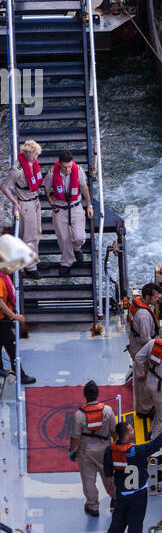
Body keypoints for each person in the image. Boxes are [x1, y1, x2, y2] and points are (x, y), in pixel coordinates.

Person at [104, 414, 162, 533]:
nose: (133, 431)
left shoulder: (110, 451)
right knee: (135, 519)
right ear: (127, 435)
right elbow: (158, 442)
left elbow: (108, 472)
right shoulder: (139, 451)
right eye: (131, 430)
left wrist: (111, 488)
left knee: (119, 516)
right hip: (138, 493)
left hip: (122, 491)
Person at [69, 381, 117, 517]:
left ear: (84, 395)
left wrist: (72, 451)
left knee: (88, 480)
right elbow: (114, 431)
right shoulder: (107, 410)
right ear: (98, 394)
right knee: (109, 475)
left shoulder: (79, 415)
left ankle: (92, 506)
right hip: (106, 450)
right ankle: (116, 499)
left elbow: (75, 438)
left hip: (86, 452)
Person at [47, 149, 93, 276]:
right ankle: (66, 262)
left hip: (75, 206)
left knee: (79, 237)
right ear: (60, 164)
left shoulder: (78, 170)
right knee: (64, 238)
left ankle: (77, 248)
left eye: (69, 166)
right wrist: (52, 203)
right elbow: (46, 189)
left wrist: (89, 205)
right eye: (64, 167)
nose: (67, 170)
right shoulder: (52, 173)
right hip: (60, 209)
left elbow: (84, 187)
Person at [1, 140, 45, 270]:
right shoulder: (17, 170)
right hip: (26, 204)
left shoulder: (32, 163)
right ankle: (30, 267)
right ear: (27, 154)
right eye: (34, 154)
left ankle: (34, 259)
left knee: (36, 233)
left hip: (35, 202)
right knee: (28, 236)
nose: (36, 157)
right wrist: (15, 202)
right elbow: (4, 187)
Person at [0, 269, 35, 384]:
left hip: (4, 319)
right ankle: (20, 375)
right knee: (12, 348)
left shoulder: (5, 276)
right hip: (1, 321)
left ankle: (1, 370)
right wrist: (14, 316)